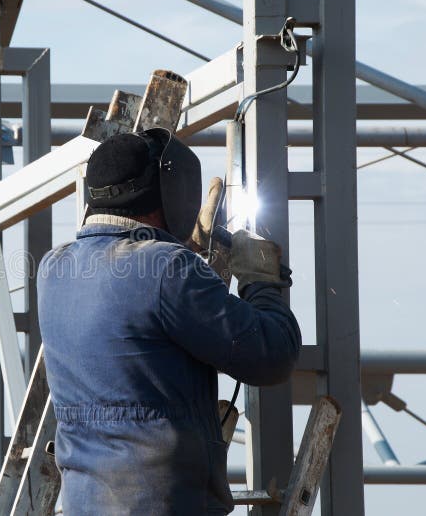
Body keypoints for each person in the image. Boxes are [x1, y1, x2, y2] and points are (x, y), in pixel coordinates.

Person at [37, 129, 301, 515]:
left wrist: (189, 254)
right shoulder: (166, 269)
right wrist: (261, 282)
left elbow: (133, 323)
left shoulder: (54, 269)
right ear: (166, 191)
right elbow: (272, 353)